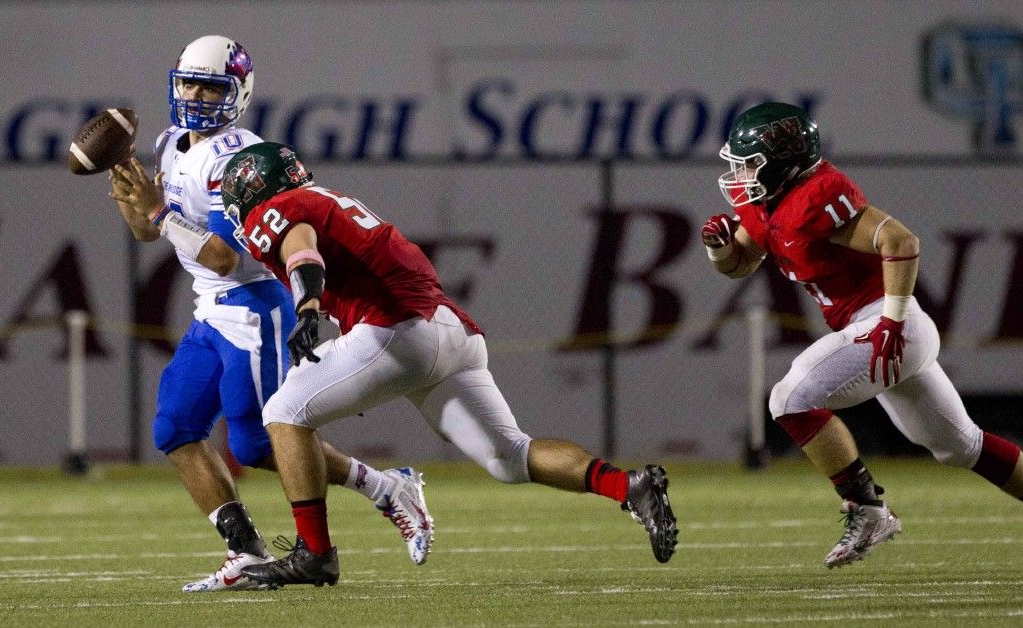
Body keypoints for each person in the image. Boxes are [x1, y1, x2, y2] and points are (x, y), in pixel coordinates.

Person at [211, 141, 679, 588]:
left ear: (253, 190)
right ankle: (628, 485)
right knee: (508, 456)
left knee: (283, 413)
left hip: (395, 331)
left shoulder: (282, 209)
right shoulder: (326, 197)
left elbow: (301, 246)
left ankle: (314, 553)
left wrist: (308, 305)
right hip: (451, 330)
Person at [105, 35, 434, 592]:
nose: (194, 96)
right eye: (187, 83)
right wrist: (128, 196)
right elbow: (147, 232)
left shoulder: (239, 155)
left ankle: (386, 488)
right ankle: (245, 551)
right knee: (175, 428)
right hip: (209, 308)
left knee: (256, 445)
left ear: (236, 94)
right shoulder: (170, 143)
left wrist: (158, 211)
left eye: (209, 87)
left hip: (257, 306)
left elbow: (225, 255)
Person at [700, 102, 1023, 568]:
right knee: (962, 446)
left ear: (784, 163)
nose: (741, 174)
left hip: (892, 324)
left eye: (751, 163)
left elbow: (901, 242)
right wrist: (719, 250)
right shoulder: (763, 202)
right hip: (877, 326)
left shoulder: (815, 195)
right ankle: (871, 509)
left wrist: (890, 321)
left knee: (790, 398)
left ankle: (868, 509)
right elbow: (741, 264)